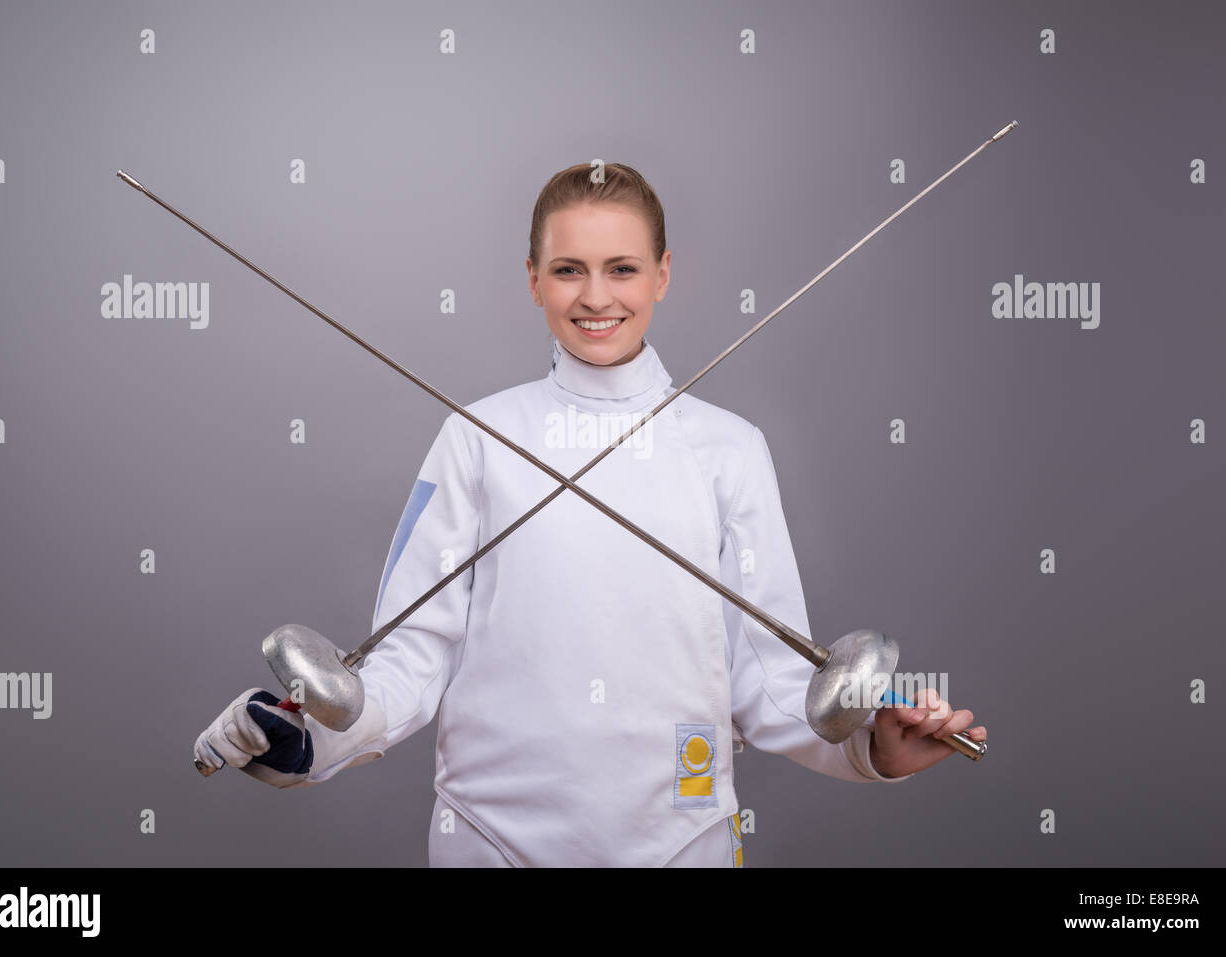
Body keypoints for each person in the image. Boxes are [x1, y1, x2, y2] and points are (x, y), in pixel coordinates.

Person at [195, 162, 986, 867]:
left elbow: (770, 681)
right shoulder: (475, 437)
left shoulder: (729, 449)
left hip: (683, 838)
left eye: (623, 269)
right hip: (489, 838)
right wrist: (310, 736)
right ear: (533, 277)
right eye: (569, 269)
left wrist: (870, 747)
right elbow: (408, 657)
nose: (596, 296)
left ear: (664, 274)